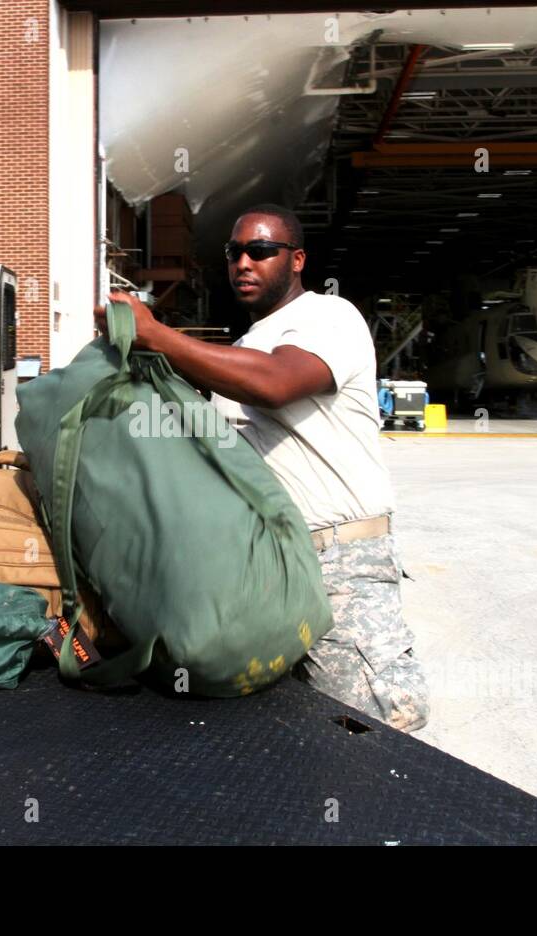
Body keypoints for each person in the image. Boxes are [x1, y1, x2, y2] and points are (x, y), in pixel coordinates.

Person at [94, 204, 428, 732]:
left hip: (338, 559)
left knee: (367, 727)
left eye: (261, 250)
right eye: (234, 252)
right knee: (293, 729)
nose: (244, 262)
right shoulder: (246, 346)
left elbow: (275, 383)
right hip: (270, 564)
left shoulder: (328, 317)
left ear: (296, 259)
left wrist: (158, 335)